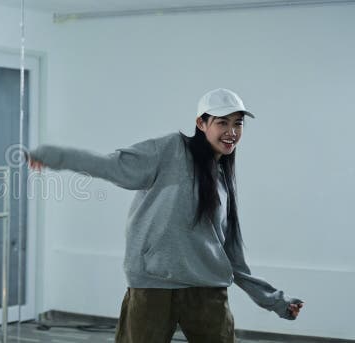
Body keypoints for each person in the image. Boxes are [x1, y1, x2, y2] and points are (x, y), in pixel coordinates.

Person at [27, 88, 303, 343]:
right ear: (201, 123)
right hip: (153, 288)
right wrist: (54, 156)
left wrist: (275, 301)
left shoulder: (222, 180)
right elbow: (110, 166)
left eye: (238, 123)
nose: (232, 131)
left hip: (207, 292)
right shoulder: (169, 150)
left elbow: (232, 258)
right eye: (223, 122)